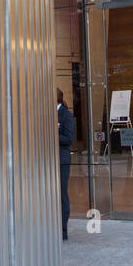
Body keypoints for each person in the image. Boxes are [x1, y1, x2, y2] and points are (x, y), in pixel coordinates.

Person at [57, 88, 75, 241]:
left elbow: (68, 139)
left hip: (61, 160)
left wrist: (50, 134)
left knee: (61, 195)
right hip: (47, 161)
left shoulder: (66, 115)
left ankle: (63, 231)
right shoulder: (44, 115)